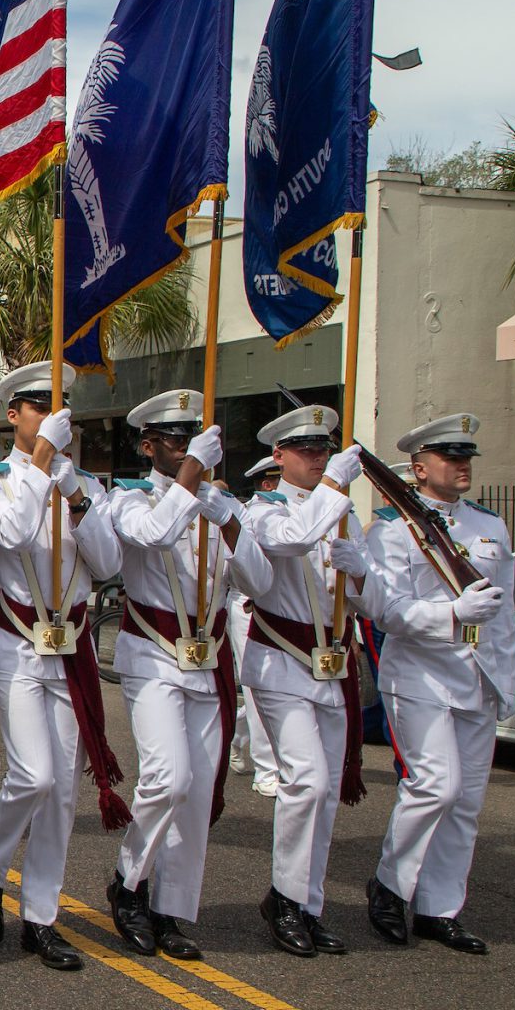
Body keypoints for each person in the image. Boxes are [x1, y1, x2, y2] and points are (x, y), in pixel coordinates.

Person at [0, 362, 121, 972]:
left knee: (62, 793)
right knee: (32, 776)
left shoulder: (85, 485)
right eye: (38, 408)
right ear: (14, 415)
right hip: (20, 645)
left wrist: (78, 495)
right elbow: (15, 531)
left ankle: (41, 917)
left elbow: (105, 564)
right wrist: (40, 463)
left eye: (60, 411)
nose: (53, 419)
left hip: (72, 643)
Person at [105, 389, 270, 962]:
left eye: (192, 439)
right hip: (153, 657)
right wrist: (194, 476)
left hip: (209, 661)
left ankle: (169, 909)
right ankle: (128, 883)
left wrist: (230, 524)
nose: (184, 448)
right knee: (167, 780)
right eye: (175, 440)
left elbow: (258, 584)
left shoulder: (219, 503)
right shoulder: (126, 498)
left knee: (196, 795)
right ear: (149, 445)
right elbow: (151, 535)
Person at [364, 413, 515, 956]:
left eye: (465, 457)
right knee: (436, 786)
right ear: (418, 467)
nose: (461, 466)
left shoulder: (489, 526)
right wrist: (453, 612)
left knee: (466, 803)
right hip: (423, 673)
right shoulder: (390, 527)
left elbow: (506, 615)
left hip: (477, 677)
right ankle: (388, 884)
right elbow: (387, 610)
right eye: (450, 458)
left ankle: (439, 908)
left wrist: (506, 682)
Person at [231, 407, 371, 958]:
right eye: (305, 449)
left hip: (333, 666)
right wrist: (335, 484)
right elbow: (291, 539)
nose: (316, 457)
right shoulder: (261, 509)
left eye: (323, 449)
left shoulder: (343, 514)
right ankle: (285, 900)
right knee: (306, 781)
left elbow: (365, 600)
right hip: (281, 663)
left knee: (328, 794)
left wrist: (358, 568)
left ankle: (308, 905)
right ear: (279, 456)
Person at [230, 457, 284, 796]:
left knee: (276, 689)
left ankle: (237, 735)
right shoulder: (252, 513)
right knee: (257, 684)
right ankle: (266, 767)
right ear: (267, 484)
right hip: (247, 603)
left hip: (286, 607)